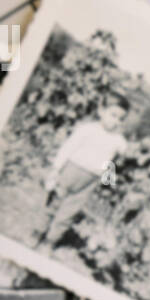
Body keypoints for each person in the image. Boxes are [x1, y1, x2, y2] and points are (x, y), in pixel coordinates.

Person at [40, 95, 130, 247]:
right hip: (70, 170)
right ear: (101, 111)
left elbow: (122, 153)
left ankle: (50, 241)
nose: (115, 121)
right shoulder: (87, 129)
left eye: (121, 119)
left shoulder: (118, 140)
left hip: (90, 179)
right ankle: (39, 231)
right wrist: (56, 168)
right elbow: (67, 148)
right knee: (55, 202)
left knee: (70, 211)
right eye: (113, 115)